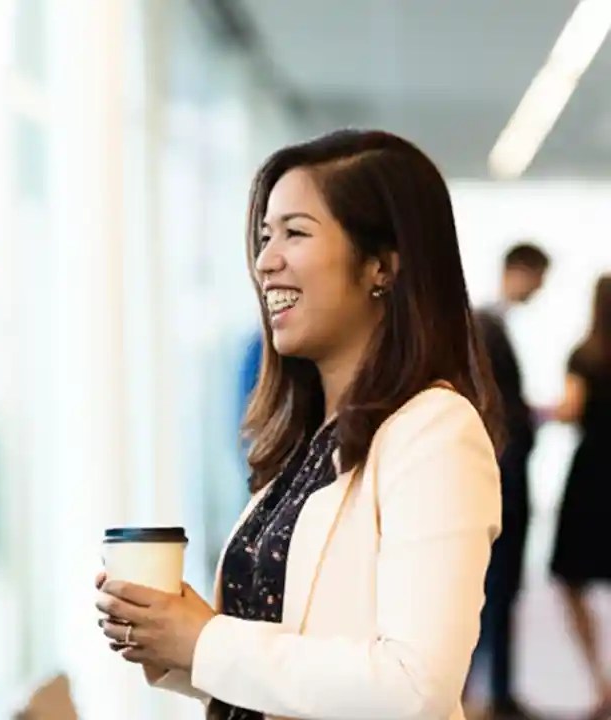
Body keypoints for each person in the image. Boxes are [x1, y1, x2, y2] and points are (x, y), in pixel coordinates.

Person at [96, 129, 503, 719]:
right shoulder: (313, 442)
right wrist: (171, 637)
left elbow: (415, 689)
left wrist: (203, 641)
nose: (265, 261)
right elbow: (290, 659)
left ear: (381, 266)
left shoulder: (435, 431)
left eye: (295, 232)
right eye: (265, 237)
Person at [470, 242, 548, 719]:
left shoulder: (488, 323)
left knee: (499, 592)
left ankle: (494, 692)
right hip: (502, 478)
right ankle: (490, 695)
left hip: (504, 474)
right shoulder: (485, 325)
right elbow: (497, 411)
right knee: (495, 591)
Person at [547, 274, 611, 719]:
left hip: (593, 474)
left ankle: (601, 682)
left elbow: (570, 409)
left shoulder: (585, 355)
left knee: (571, 579)